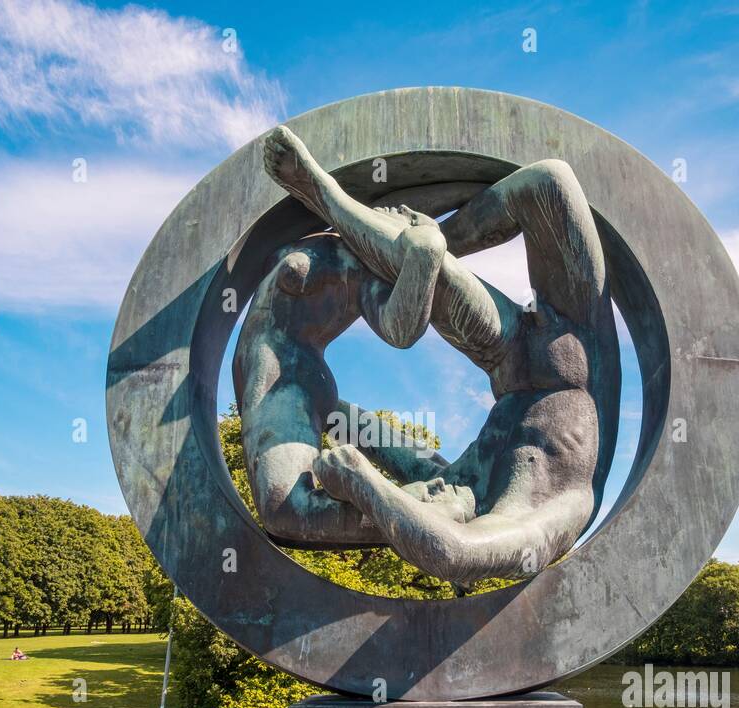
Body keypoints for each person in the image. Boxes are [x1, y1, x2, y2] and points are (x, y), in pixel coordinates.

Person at [242, 126, 618, 586]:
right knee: (549, 183)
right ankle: (411, 242)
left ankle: (346, 207)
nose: (433, 492)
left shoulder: (475, 492)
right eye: (430, 501)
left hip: (515, 357)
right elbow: (455, 553)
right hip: (570, 338)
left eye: (425, 500)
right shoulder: (549, 509)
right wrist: (367, 481)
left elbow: (449, 547)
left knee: (440, 255)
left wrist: (366, 481)